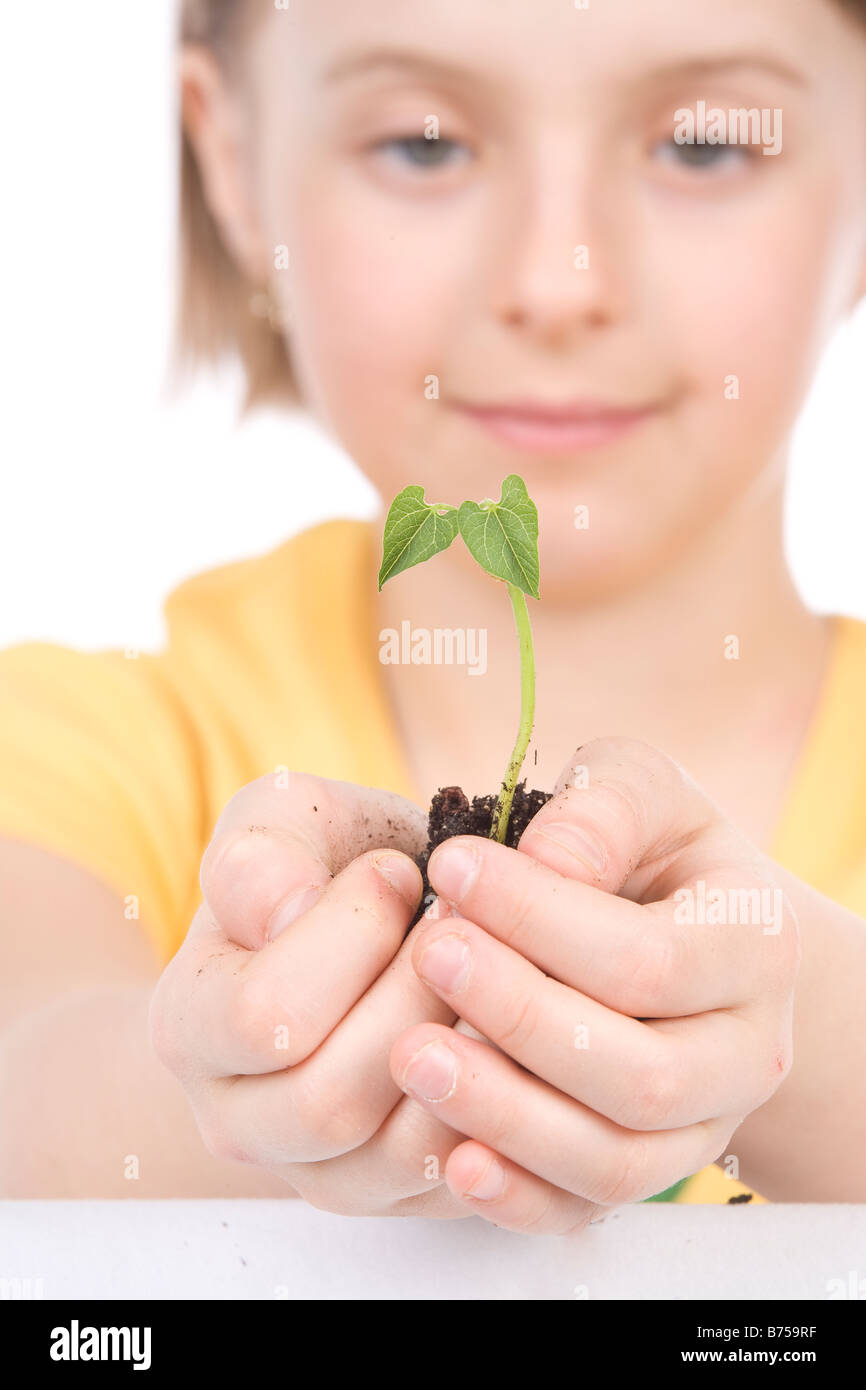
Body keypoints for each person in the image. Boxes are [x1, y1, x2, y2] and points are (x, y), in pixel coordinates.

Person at [1, 0, 865, 1231]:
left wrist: (810, 1038)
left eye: (702, 144)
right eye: (420, 142)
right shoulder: (86, 749)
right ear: (232, 160)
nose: (557, 282)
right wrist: (249, 1063)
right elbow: (25, 1083)